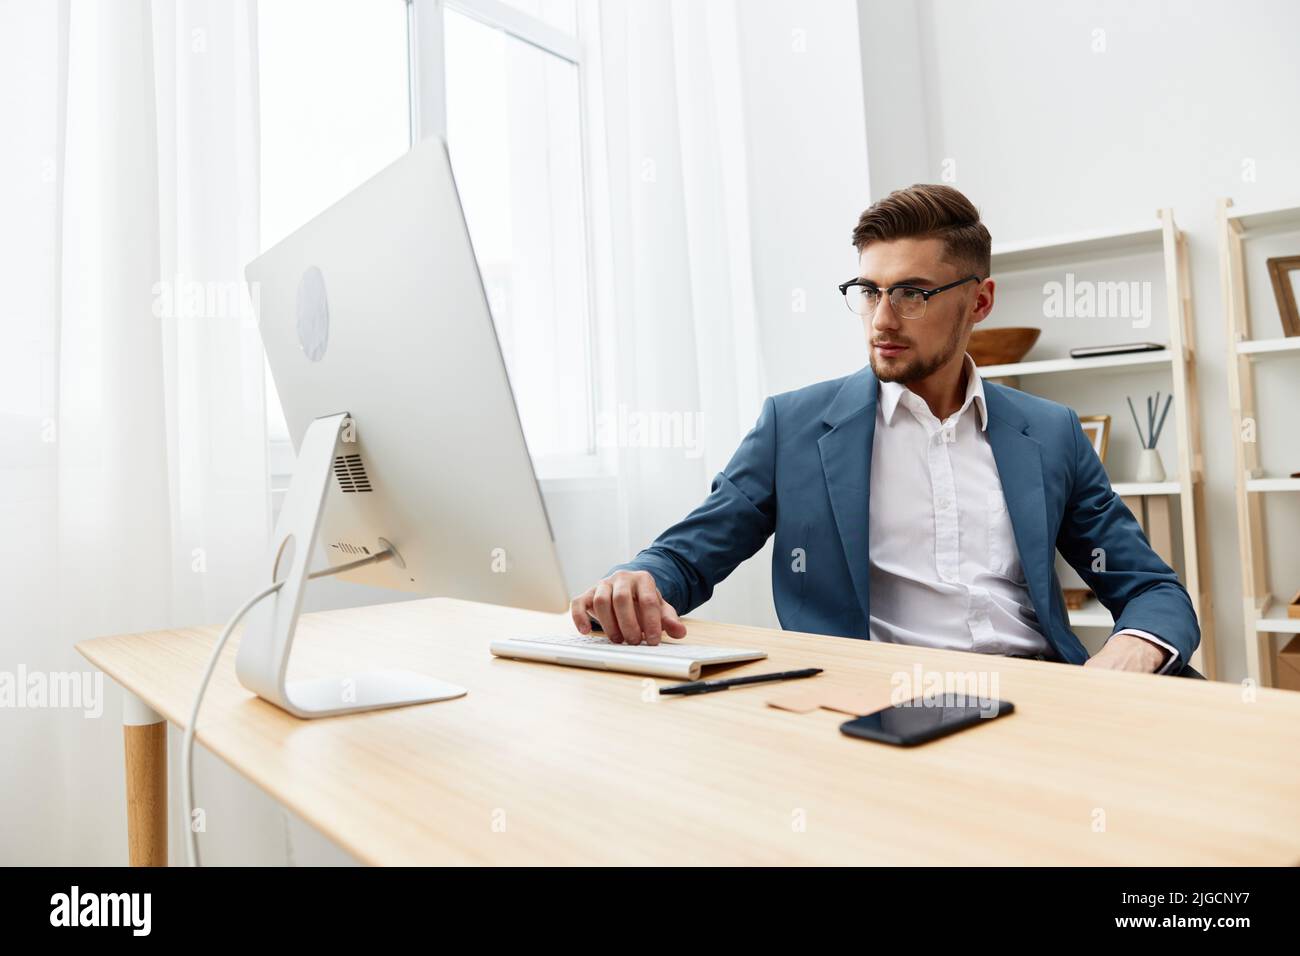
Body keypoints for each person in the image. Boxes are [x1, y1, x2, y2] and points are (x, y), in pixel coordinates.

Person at [569, 184, 1201, 676]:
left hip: (1037, 695)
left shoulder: (1052, 432)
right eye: (868, 292)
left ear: (979, 302)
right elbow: (687, 556)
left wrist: (1130, 651)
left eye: (912, 294)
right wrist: (636, 583)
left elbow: (1147, 585)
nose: (882, 318)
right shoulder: (794, 427)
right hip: (870, 701)